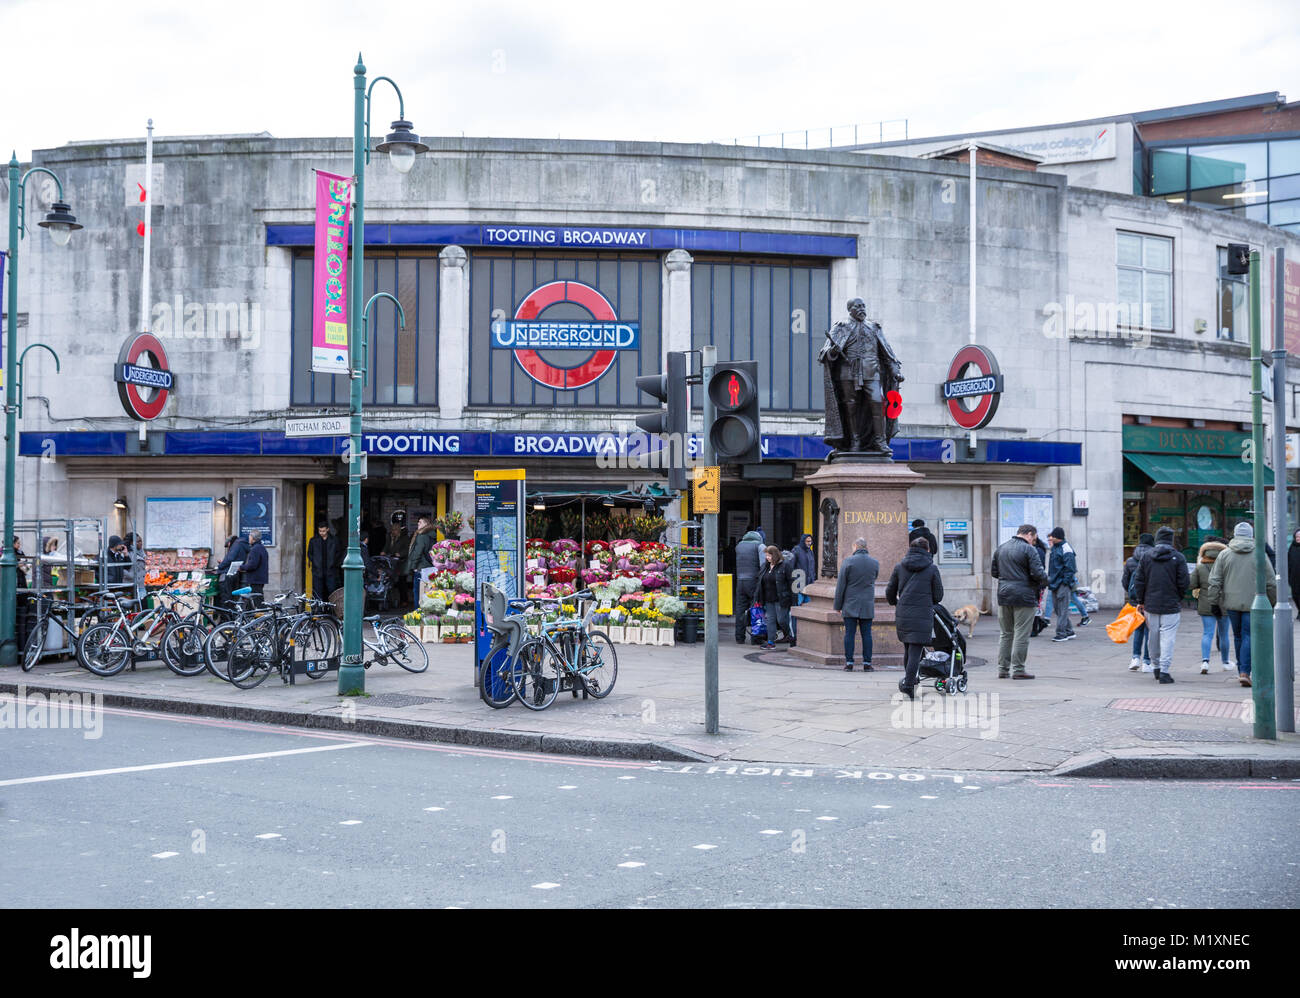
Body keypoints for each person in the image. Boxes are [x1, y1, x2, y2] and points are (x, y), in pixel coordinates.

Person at [817, 297, 904, 453]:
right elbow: (824, 354)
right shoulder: (841, 327)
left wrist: (895, 371)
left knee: (878, 403)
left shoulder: (874, 328)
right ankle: (855, 441)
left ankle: (880, 441)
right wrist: (834, 351)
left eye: (863, 306)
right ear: (850, 310)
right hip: (847, 373)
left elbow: (888, 354)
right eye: (858, 306)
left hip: (872, 372)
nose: (862, 309)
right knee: (851, 408)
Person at [1207, 522, 1276, 687]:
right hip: (1254, 602)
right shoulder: (1260, 554)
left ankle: (1241, 670)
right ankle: (1245, 671)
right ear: (1251, 535)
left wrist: (1213, 602)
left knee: (1238, 636)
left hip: (1231, 603)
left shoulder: (1225, 554)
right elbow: (1271, 582)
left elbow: (1214, 580)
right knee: (1249, 636)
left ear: (1235, 535)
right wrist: (1271, 603)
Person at [886, 537, 944, 699]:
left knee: (908, 648)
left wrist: (895, 603)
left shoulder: (900, 567)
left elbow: (889, 592)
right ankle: (909, 684)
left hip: (903, 613)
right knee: (915, 650)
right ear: (927, 550)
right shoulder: (932, 568)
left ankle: (910, 679)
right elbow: (938, 595)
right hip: (922, 614)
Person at [991, 524, 1049, 679]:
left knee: (1006, 633)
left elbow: (994, 572)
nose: (1034, 542)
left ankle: (1003, 669)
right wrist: (1045, 582)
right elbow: (1038, 573)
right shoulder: (1029, 550)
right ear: (1029, 534)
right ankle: (1018, 670)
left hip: (1004, 594)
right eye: (1034, 539)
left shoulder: (1001, 548)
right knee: (1021, 634)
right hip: (1024, 595)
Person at [1132, 526, 1189, 684]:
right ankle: (1164, 670)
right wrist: (1178, 597)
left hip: (1151, 604)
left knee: (1153, 636)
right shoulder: (1178, 557)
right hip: (1171, 604)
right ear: (1171, 540)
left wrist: (1141, 601)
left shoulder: (1146, 557)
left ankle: (1156, 666)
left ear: (1157, 539)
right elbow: (1184, 582)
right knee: (1167, 637)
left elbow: (1139, 580)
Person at [833, 537, 879, 671]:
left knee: (849, 634)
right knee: (867, 634)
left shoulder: (848, 562)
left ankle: (849, 663)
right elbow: (874, 578)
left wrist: (838, 605)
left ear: (855, 546)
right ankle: (867, 663)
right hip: (867, 604)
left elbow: (841, 585)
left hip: (850, 603)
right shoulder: (874, 563)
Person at [1191, 538, 1233, 674]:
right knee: (1224, 634)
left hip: (1206, 603)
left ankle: (1205, 662)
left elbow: (1191, 584)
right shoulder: (1226, 567)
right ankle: (1225, 662)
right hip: (1224, 604)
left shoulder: (1200, 567)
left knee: (1207, 633)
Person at [1123, 533, 1155, 671]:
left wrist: (1132, 595)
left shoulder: (1130, 561)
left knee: (1138, 630)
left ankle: (1135, 658)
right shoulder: (1153, 559)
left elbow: (1125, 581)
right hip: (1149, 599)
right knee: (1149, 630)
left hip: (1135, 600)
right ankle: (1147, 662)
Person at [1045, 527, 1079, 643]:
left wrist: (1065, 582)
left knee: (1062, 609)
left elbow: (1070, 569)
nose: (1050, 538)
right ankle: (1069, 631)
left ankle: (1061, 634)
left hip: (1061, 584)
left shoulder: (1066, 549)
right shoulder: (1056, 547)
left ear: (1057, 537)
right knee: (1059, 609)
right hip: (1055, 582)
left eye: (1052, 536)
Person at [755, 545, 793, 650]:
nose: (767, 557)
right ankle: (771, 642)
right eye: (766, 555)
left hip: (781, 598)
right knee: (770, 620)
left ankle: (790, 634)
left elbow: (791, 582)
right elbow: (759, 582)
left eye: (769, 555)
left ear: (775, 555)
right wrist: (758, 597)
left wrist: (792, 598)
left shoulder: (785, 566)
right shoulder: (765, 566)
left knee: (781, 620)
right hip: (768, 598)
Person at [733, 529, 763, 644]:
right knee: (756, 609)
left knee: (740, 610)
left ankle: (739, 637)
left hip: (740, 581)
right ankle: (756, 638)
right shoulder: (759, 546)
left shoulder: (739, 546)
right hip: (753, 581)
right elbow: (763, 564)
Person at [404, 511, 436, 608]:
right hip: (429, 567)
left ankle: (417, 614)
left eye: (420, 522)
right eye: (418, 522)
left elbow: (418, 552)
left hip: (420, 567)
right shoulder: (432, 535)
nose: (418, 524)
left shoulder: (421, 535)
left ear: (426, 524)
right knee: (427, 592)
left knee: (418, 592)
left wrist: (413, 566)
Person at [216, 534, 249, 610]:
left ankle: (226, 619)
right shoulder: (243, 545)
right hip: (235, 574)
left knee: (225, 598)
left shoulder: (236, 545)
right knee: (233, 597)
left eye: (228, 547)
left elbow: (230, 558)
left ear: (229, 543)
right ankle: (232, 616)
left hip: (227, 574)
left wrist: (220, 566)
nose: (228, 548)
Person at [307, 522, 340, 598]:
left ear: (328, 529)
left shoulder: (334, 540)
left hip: (331, 570)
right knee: (317, 592)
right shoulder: (313, 540)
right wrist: (315, 562)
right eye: (320, 531)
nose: (321, 533)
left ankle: (332, 609)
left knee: (332, 591)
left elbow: (338, 553)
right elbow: (309, 553)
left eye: (323, 531)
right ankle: (318, 610)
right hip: (318, 570)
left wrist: (334, 563)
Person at [240, 529, 268, 605]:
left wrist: (241, 567)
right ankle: (251, 615)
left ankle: (262, 615)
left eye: (250, 536)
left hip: (256, 579)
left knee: (258, 601)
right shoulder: (261, 547)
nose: (249, 538)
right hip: (259, 578)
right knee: (253, 600)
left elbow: (252, 565)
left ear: (253, 538)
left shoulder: (255, 549)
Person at [793, 533, 816, 600]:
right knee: (799, 603)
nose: (809, 543)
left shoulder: (810, 551)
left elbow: (812, 566)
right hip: (799, 583)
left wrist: (813, 577)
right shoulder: (796, 550)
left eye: (810, 541)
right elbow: (791, 566)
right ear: (803, 541)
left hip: (809, 583)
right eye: (807, 541)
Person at [1289, 528, 1300, 621]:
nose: (1298, 538)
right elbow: (1288, 562)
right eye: (1297, 536)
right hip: (1294, 578)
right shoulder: (1292, 547)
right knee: (1295, 596)